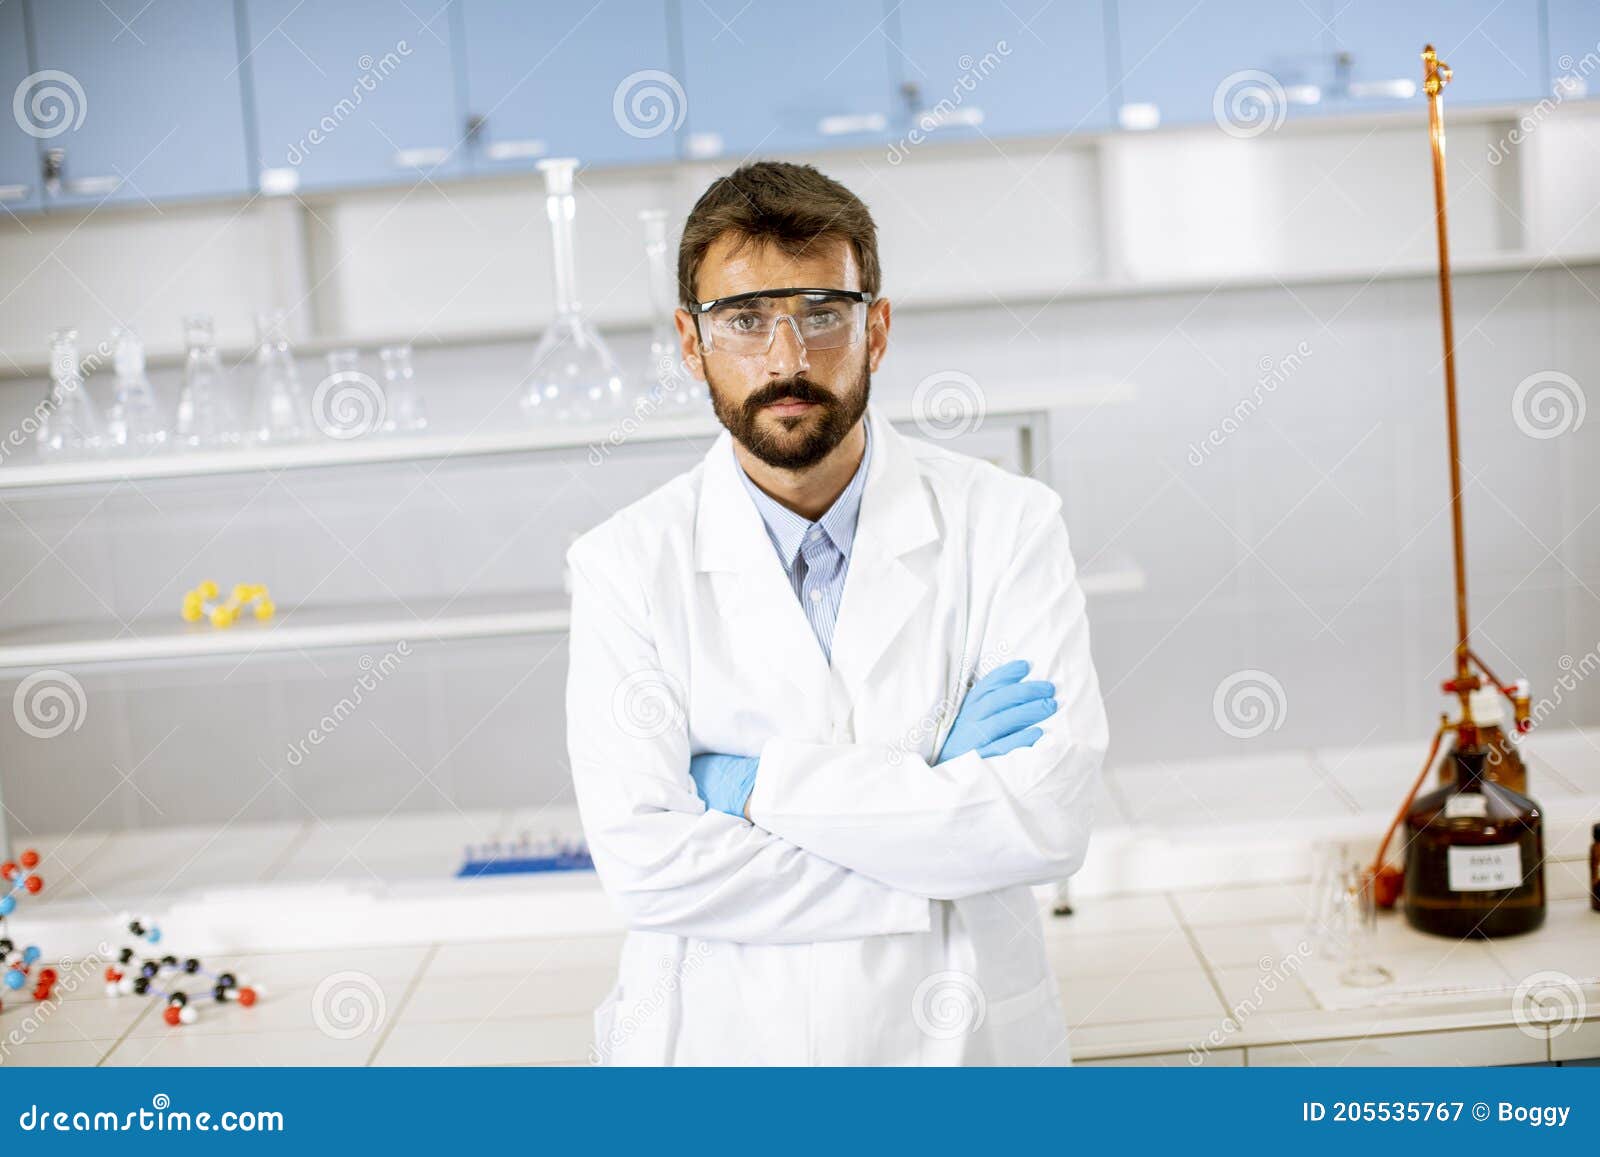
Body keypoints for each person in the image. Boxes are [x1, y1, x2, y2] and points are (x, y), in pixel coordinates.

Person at [565, 161, 1108, 1065]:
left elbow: (1046, 818)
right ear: (690, 344)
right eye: (743, 321)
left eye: (822, 313)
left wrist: (750, 790)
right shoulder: (624, 565)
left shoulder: (1010, 525)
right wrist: (928, 786)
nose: (787, 359)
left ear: (877, 328)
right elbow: (646, 866)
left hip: (958, 1053)